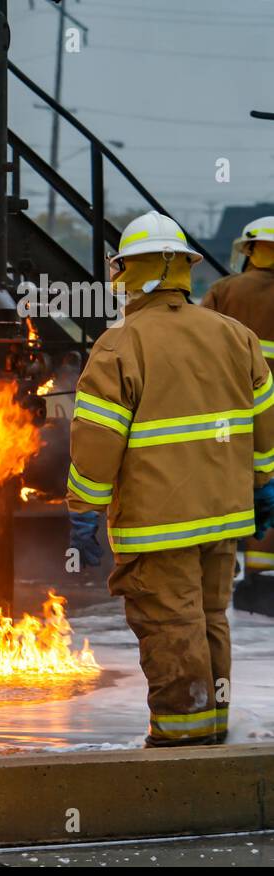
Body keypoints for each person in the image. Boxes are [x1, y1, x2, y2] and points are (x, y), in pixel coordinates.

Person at [67, 211, 274, 747]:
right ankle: (215, 735)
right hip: (224, 516)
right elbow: (264, 419)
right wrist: (264, 482)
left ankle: (181, 746)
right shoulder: (236, 336)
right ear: (184, 269)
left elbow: (96, 444)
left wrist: (84, 511)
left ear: (128, 275)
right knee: (210, 619)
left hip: (158, 526)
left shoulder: (119, 346)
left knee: (170, 625)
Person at [202, 216, 274, 596]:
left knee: (229, 490)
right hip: (270, 413)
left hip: (230, 411)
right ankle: (263, 579)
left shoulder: (224, 290)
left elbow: (196, 348)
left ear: (249, 250)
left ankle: (233, 576)